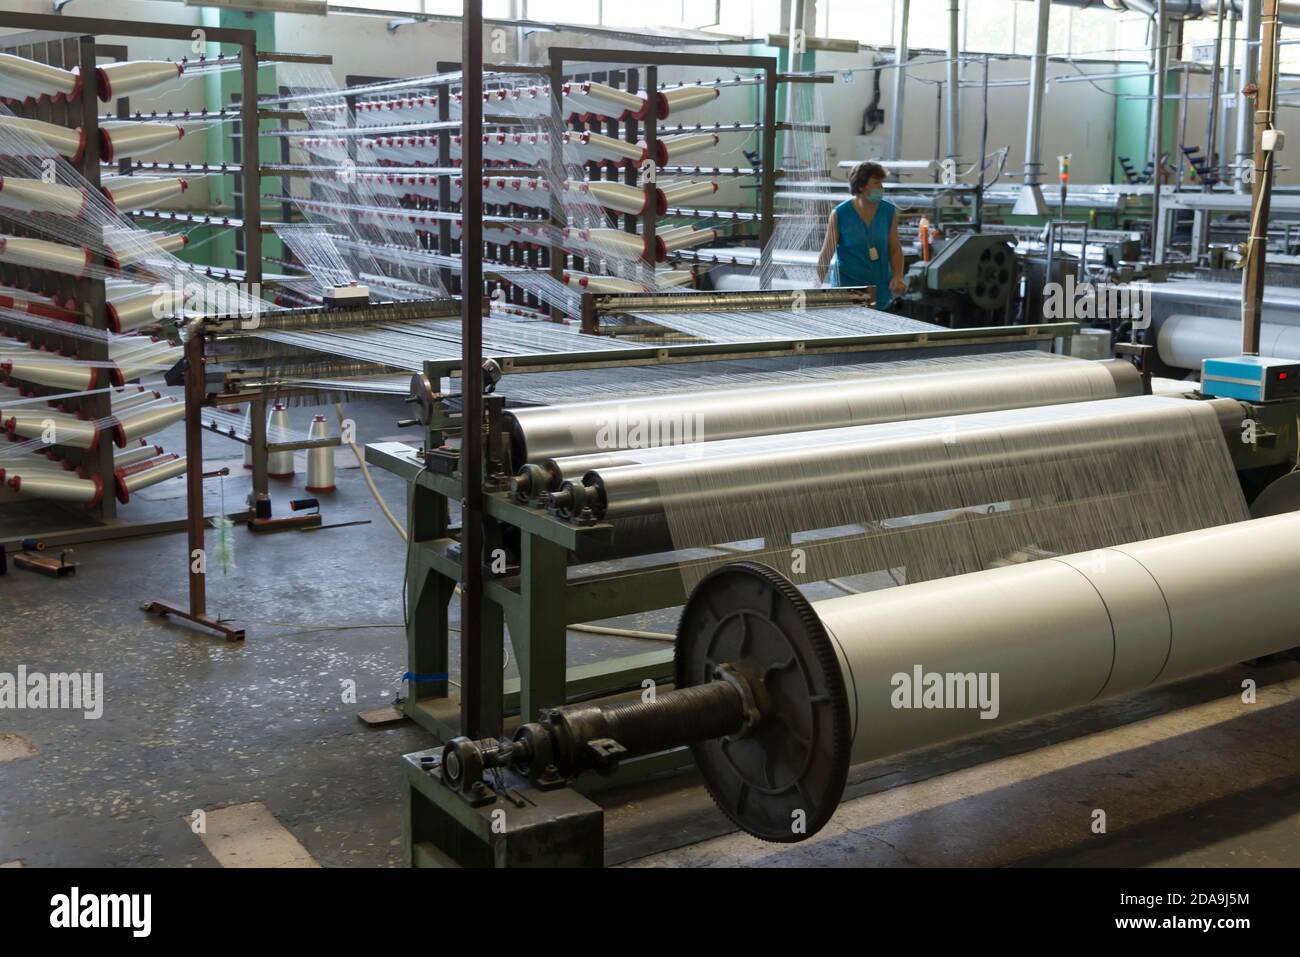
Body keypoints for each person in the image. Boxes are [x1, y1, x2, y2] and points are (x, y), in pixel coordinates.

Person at [816, 160, 907, 310]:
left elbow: (895, 249)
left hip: (879, 287)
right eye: (876, 183)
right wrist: (816, 285)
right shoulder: (840, 214)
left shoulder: (888, 212)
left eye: (881, 183)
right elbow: (826, 254)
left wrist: (898, 276)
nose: (881, 188)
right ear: (861, 186)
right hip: (847, 289)